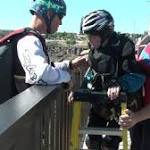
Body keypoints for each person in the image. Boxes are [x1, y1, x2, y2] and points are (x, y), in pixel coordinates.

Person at [79, 9, 145, 150]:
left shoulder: (124, 45)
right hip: (101, 103)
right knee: (92, 141)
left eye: (92, 35)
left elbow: (138, 77)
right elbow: (92, 72)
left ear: (104, 32)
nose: (89, 39)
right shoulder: (94, 51)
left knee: (110, 143)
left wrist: (119, 84)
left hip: (122, 104)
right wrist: (81, 89)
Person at [14, 0, 87, 92]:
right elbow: (42, 74)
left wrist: (70, 65)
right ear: (49, 13)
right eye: (60, 17)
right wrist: (67, 77)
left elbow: (45, 67)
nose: (61, 23)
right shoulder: (29, 41)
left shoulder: (33, 39)